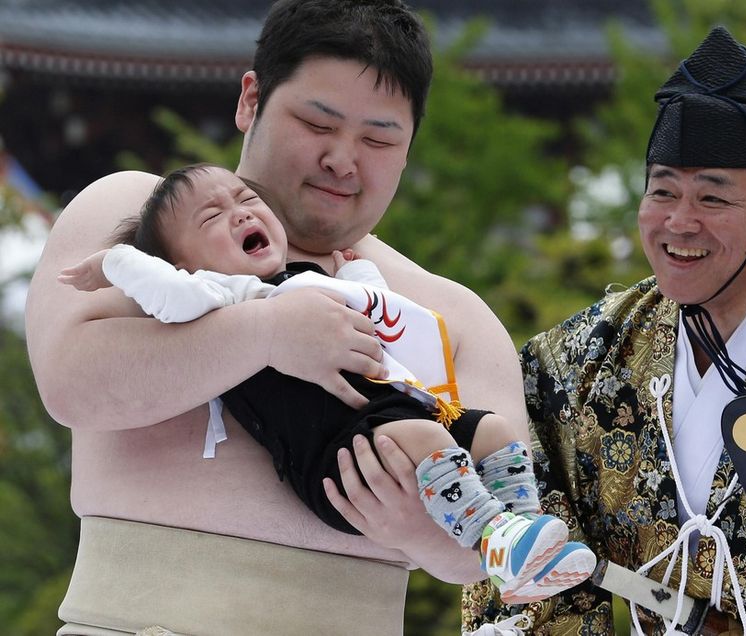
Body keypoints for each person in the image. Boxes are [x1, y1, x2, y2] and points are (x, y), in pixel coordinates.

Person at [25, 1, 542, 634]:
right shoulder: (140, 223)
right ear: (251, 100)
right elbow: (69, 380)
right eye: (317, 123)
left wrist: (428, 538)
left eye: (378, 139)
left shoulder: (455, 314)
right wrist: (265, 332)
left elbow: (499, 522)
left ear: (409, 148)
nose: (343, 161)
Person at [462, 26, 746, 635]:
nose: (678, 222)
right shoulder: (581, 358)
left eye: (713, 199)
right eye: (662, 191)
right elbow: (518, 524)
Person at [58, 163, 597, 605]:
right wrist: (118, 261)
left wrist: (356, 274)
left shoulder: (306, 280)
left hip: (398, 413)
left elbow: (374, 308)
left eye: (245, 198)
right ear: (183, 262)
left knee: (495, 430)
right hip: (336, 453)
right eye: (213, 216)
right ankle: (495, 538)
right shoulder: (218, 295)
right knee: (430, 440)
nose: (241, 211)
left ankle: (521, 533)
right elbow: (166, 295)